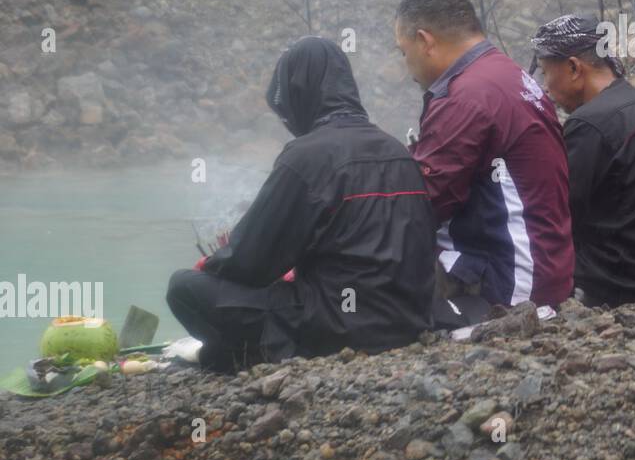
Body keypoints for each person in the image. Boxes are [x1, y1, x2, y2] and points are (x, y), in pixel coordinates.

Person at [167, 37, 438, 371]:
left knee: (184, 288)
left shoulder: (306, 157)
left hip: (338, 329)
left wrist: (211, 266)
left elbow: (250, 261)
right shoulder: (398, 152)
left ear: (298, 96)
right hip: (407, 325)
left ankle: (257, 355)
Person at [395, 0, 573, 309]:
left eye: (404, 51)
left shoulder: (467, 97)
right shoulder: (508, 74)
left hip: (510, 286)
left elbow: (425, 203)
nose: (407, 66)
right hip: (547, 268)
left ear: (425, 40)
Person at [530, 15, 635, 307]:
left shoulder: (590, 124)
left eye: (545, 73)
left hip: (613, 296)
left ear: (573, 68)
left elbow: (557, 215)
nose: (547, 88)